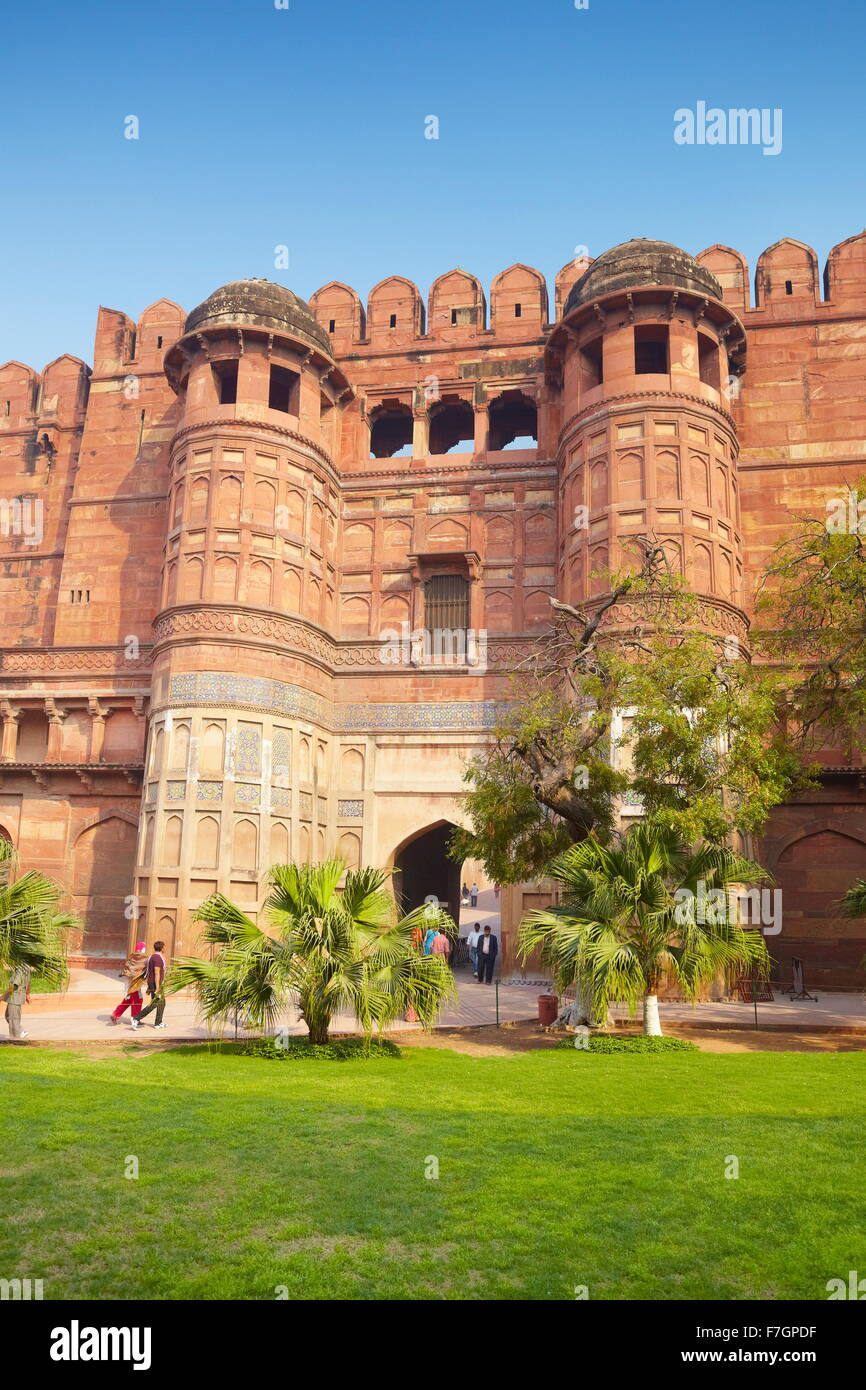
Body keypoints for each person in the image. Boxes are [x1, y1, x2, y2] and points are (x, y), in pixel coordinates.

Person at [110, 941, 148, 1027]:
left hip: (128, 980)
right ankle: (136, 1018)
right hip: (135, 982)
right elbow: (142, 970)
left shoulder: (132, 957)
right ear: (143, 949)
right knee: (138, 999)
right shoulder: (143, 959)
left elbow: (128, 968)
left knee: (129, 999)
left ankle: (115, 1014)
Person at [136, 940, 168, 1029]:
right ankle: (136, 1018)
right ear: (162, 948)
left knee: (162, 1003)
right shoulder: (157, 958)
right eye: (164, 947)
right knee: (155, 1003)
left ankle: (158, 1022)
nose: (165, 948)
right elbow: (156, 973)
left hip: (153, 983)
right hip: (155, 983)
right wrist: (157, 987)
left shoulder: (153, 957)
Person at [2, 963, 31, 1040]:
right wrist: (27, 994)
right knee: (8, 1016)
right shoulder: (26, 966)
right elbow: (29, 982)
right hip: (15, 997)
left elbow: (15, 985)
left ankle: (15, 1038)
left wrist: (3, 996)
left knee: (13, 1019)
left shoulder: (20, 969)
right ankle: (21, 1031)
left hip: (15, 997)